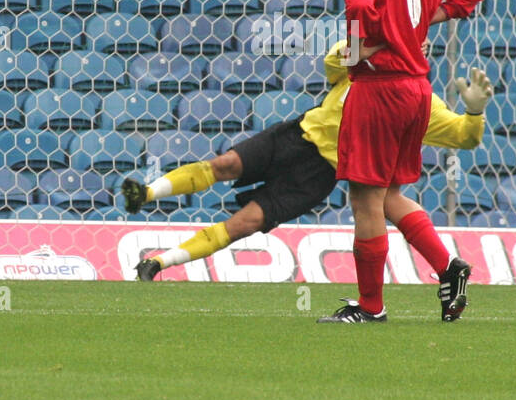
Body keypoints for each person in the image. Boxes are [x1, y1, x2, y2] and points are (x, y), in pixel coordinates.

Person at [125, 39, 495, 281]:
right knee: (225, 165)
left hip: (319, 176)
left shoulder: (422, 102)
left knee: (244, 223)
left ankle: (158, 263)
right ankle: (146, 192)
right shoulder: (360, 64)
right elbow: (332, 63)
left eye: (423, 46)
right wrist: (364, 45)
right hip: (296, 137)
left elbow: (464, 136)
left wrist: (475, 111)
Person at [319, 0, 485, 324]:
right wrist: (422, 22)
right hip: (417, 89)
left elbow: (356, 4)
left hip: (379, 88)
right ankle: (449, 269)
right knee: (390, 193)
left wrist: (366, 45)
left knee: (364, 202)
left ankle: (371, 307)